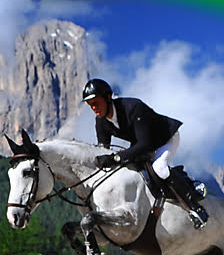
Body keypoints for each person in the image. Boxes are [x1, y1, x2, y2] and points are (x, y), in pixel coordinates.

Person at [81, 78, 208, 229]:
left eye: (96, 102)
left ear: (108, 97)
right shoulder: (101, 122)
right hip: (142, 142)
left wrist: (116, 157)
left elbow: (145, 145)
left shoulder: (133, 107)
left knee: (159, 167)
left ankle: (196, 208)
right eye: (90, 105)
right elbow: (103, 149)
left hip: (165, 137)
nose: (94, 107)